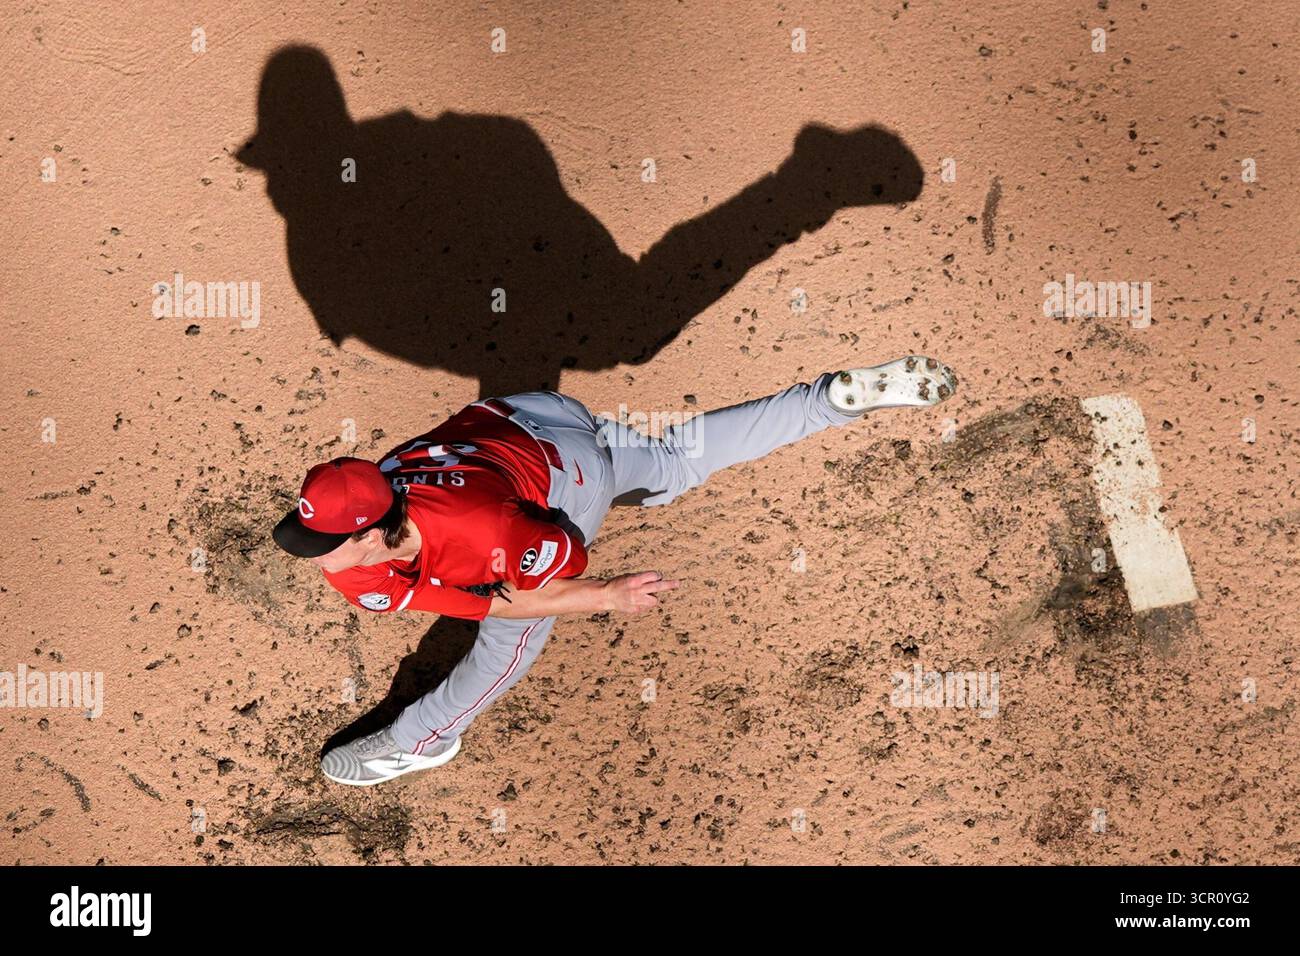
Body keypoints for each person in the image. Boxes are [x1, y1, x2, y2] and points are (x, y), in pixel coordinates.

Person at [272, 356, 958, 786]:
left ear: (368, 533)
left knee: (507, 647)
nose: (312, 552)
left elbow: (530, 589)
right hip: (529, 415)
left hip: (568, 479)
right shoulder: (374, 496)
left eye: (322, 541)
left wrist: (605, 596)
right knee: (671, 464)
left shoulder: (487, 533)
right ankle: (828, 401)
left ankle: (421, 740)